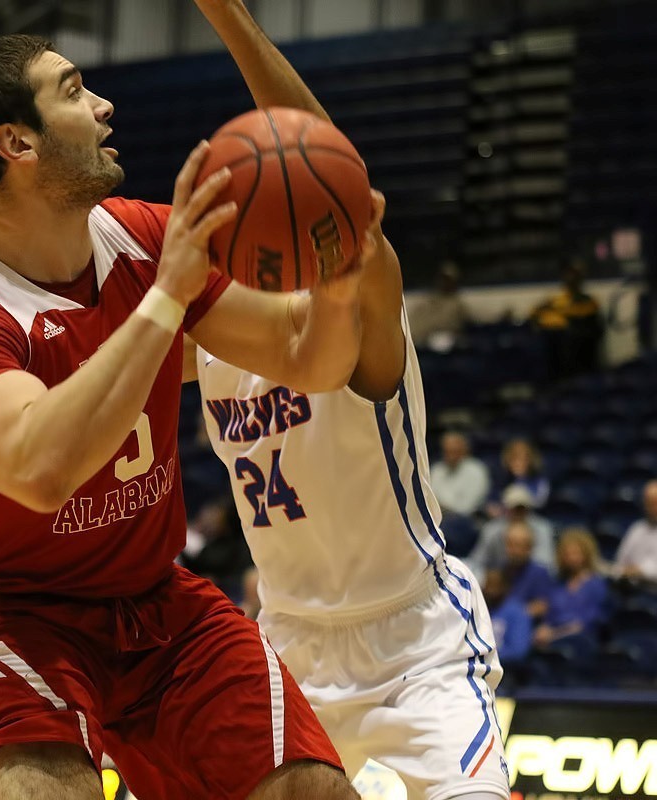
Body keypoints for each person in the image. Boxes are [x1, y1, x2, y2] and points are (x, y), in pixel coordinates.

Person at [0, 8, 370, 800]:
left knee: (312, 791)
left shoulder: (142, 237)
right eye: (74, 91)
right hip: (15, 618)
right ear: (16, 144)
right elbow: (42, 467)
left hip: (158, 603)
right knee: (42, 791)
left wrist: (333, 282)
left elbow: (311, 360)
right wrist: (167, 296)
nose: (103, 107)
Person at [192, 2, 510, 798]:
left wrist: (228, 16)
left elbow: (327, 160)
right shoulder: (208, 339)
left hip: (414, 641)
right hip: (290, 643)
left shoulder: (362, 307)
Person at [529, 257, 603, 381]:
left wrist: (563, 317)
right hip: (557, 363)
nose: (572, 278)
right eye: (569, 273)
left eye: (576, 274)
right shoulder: (554, 301)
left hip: (582, 360)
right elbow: (535, 315)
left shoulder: (589, 301)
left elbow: (587, 319)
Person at [533, 528, 609, 649]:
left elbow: (586, 623)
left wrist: (554, 634)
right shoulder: (558, 585)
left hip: (581, 642)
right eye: (567, 554)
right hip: (552, 641)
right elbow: (549, 617)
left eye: (576, 553)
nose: (572, 558)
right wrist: (543, 629)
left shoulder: (596, 584)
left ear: (586, 554)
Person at [467, 483, 555, 581]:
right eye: (514, 509)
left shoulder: (542, 528)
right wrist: (490, 574)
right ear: (506, 509)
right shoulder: (492, 529)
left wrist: (517, 559)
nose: (518, 513)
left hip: (530, 578)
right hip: (500, 579)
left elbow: (546, 565)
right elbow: (477, 561)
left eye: (521, 509)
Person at [408, 260, 471, 351]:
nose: (444, 283)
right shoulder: (427, 301)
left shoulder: (457, 305)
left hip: (443, 343)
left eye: (448, 280)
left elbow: (455, 326)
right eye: (442, 279)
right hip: (420, 342)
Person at [430, 431, 491, 517]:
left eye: (455, 451)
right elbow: (430, 499)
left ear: (465, 451)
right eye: (447, 451)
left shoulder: (476, 470)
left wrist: (444, 507)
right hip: (437, 516)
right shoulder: (436, 470)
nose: (451, 456)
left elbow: (467, 506)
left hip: (467, 518)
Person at [486, 437, 549, 517]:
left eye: (523, 459)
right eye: (514, 459)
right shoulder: (500, 481)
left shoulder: (538, 480)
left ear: (531, 460)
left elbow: (540, 503)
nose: (518, 463)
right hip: (504, 519)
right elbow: (491, 504)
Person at [614, 479, 657, 586]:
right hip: (632, 589)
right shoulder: (636, 529)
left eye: (655, 502)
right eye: (649, 502)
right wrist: (623, 571)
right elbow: (620, 563)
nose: (653, 507)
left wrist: (639, 571)